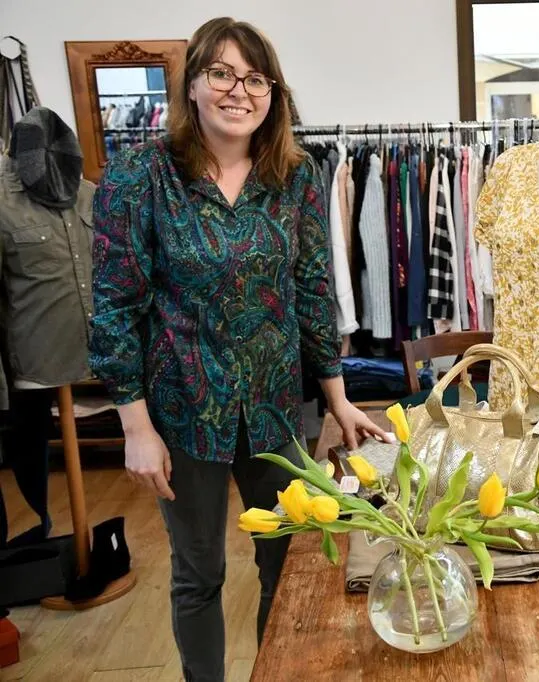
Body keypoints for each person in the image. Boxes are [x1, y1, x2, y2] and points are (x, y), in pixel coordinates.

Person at [89, 17, 386, 681]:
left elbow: (313, 291)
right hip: (183, 410)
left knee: (286, 559)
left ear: (272, 93)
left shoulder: (295, 174)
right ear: (192, 83)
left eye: (255, 78)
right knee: (199, 572)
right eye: (221, 73)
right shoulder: (141, 176)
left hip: (276, 406)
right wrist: (135, 427)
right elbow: (115, 308)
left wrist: (337, 399)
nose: (238, 90)